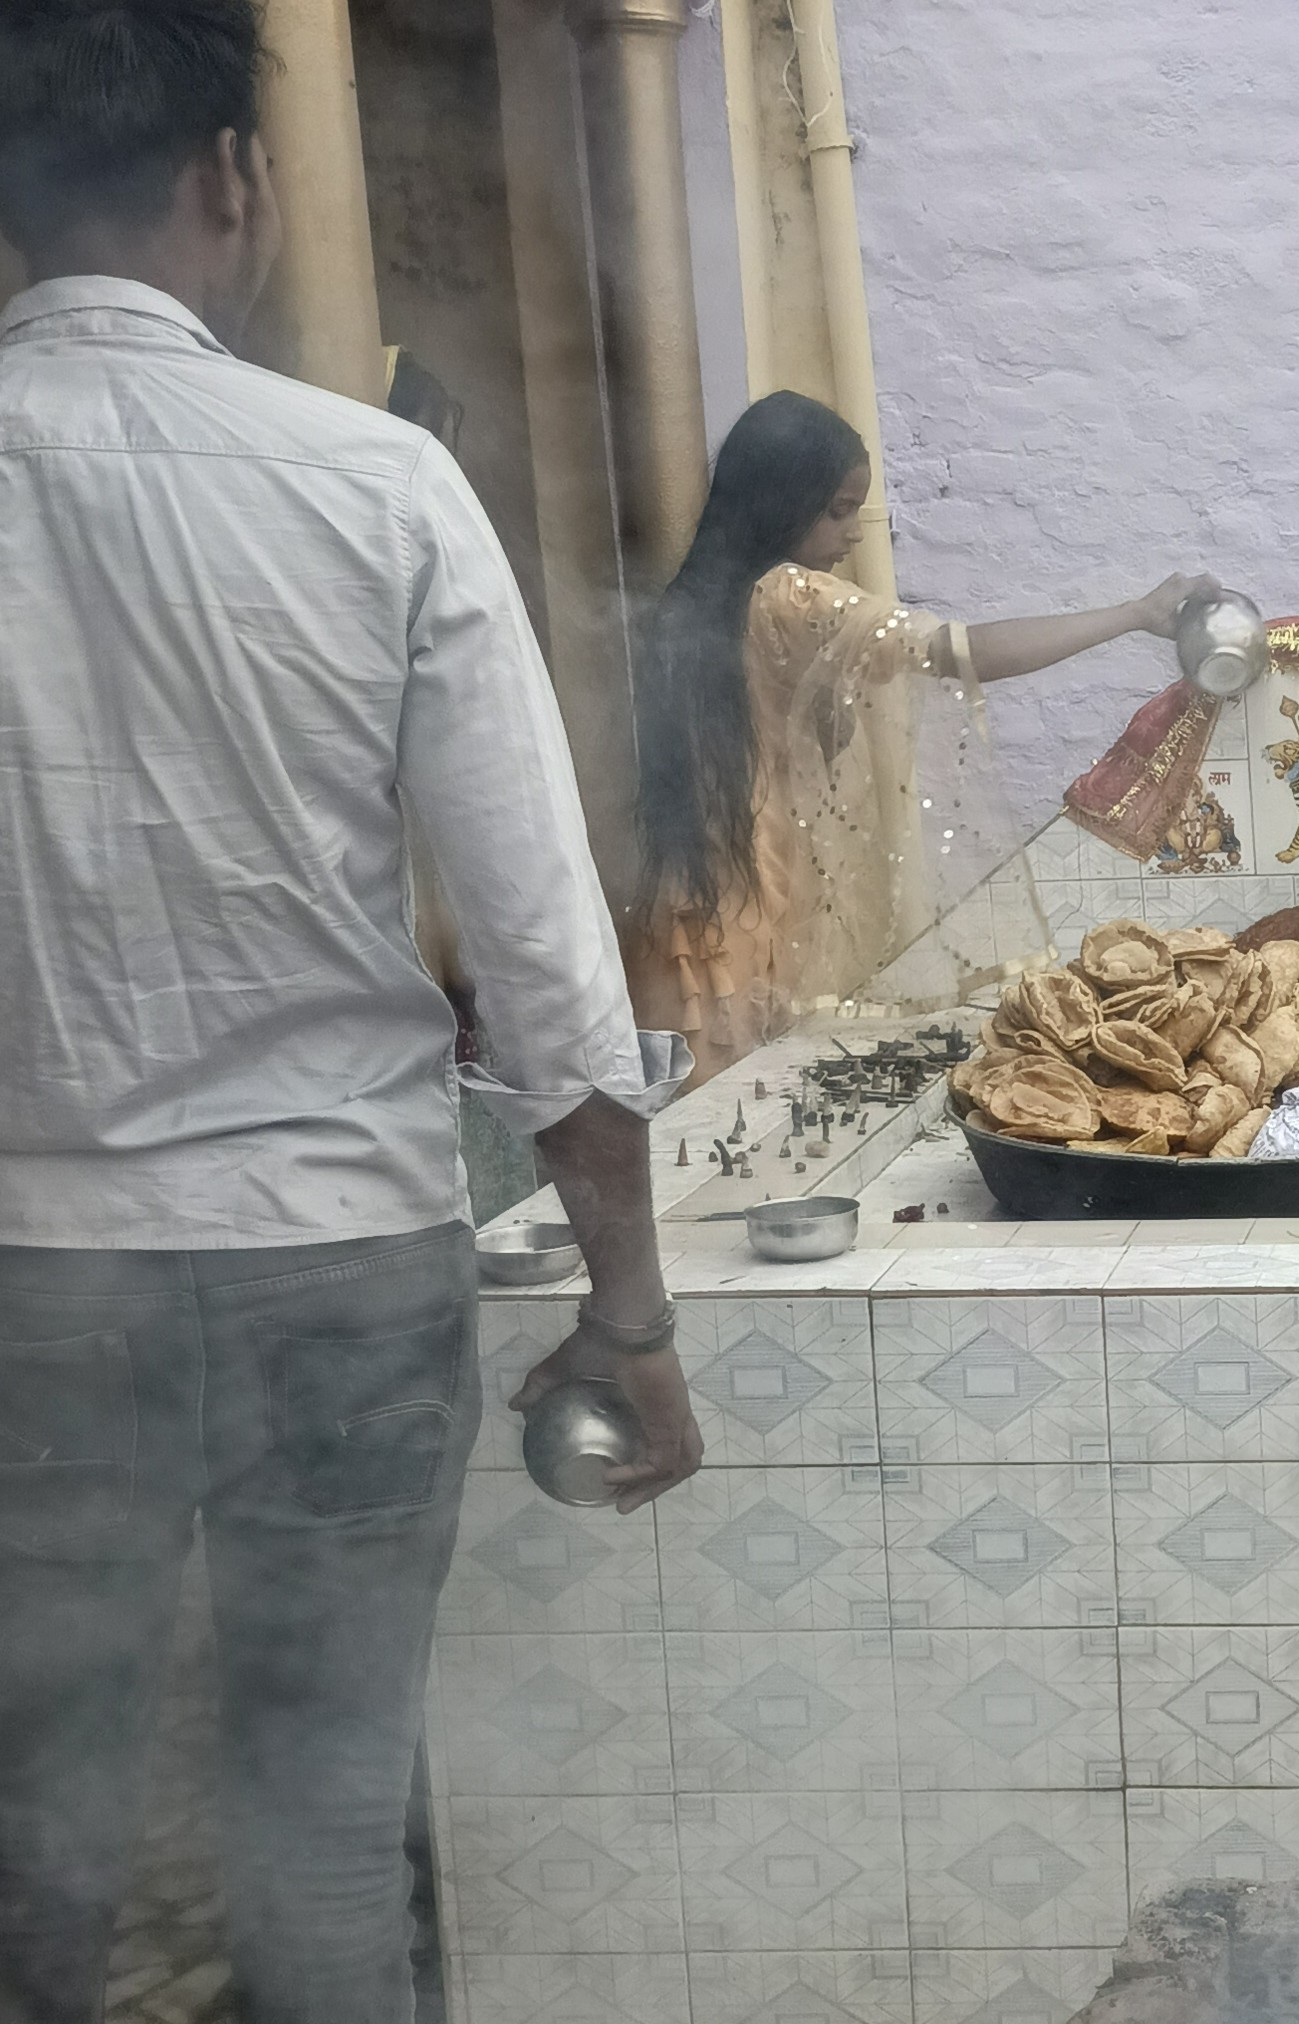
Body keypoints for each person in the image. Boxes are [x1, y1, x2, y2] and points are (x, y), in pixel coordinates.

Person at [0, 4, 701, 2019]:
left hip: (36, 1288)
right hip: (334, 1263)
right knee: (317, 1825)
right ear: (233, 180)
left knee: (38, 1835)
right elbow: (551, 973)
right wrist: (629, 1315)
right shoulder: (374, 484)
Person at [627, 389, 1209, 1085]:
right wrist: (1136, 612)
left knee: (702, 1133)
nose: (853, 534)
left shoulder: (695, 603)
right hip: (748, 902)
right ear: (779, 504)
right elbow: (962, 652)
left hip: (686, 901)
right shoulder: (790, 595)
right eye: (839, 511)